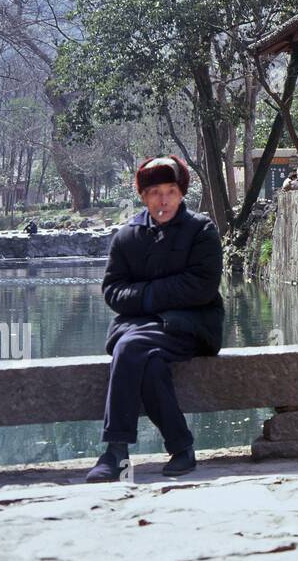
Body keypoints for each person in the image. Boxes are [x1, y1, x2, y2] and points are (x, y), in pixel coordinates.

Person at [87, 156, 223, 482]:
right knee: (148, 362)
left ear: (181, 194)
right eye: (155, 192)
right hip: (140, 329)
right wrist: (151, 301)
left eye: (171, 191)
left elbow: (202, 287)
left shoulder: (201, 231)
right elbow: (113, 290)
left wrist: (146, 297)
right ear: (144, 196)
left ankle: (115, 450)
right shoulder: (127, 237)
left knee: (130, 348)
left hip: (192, 326)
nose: (163, 200)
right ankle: (182, 447)